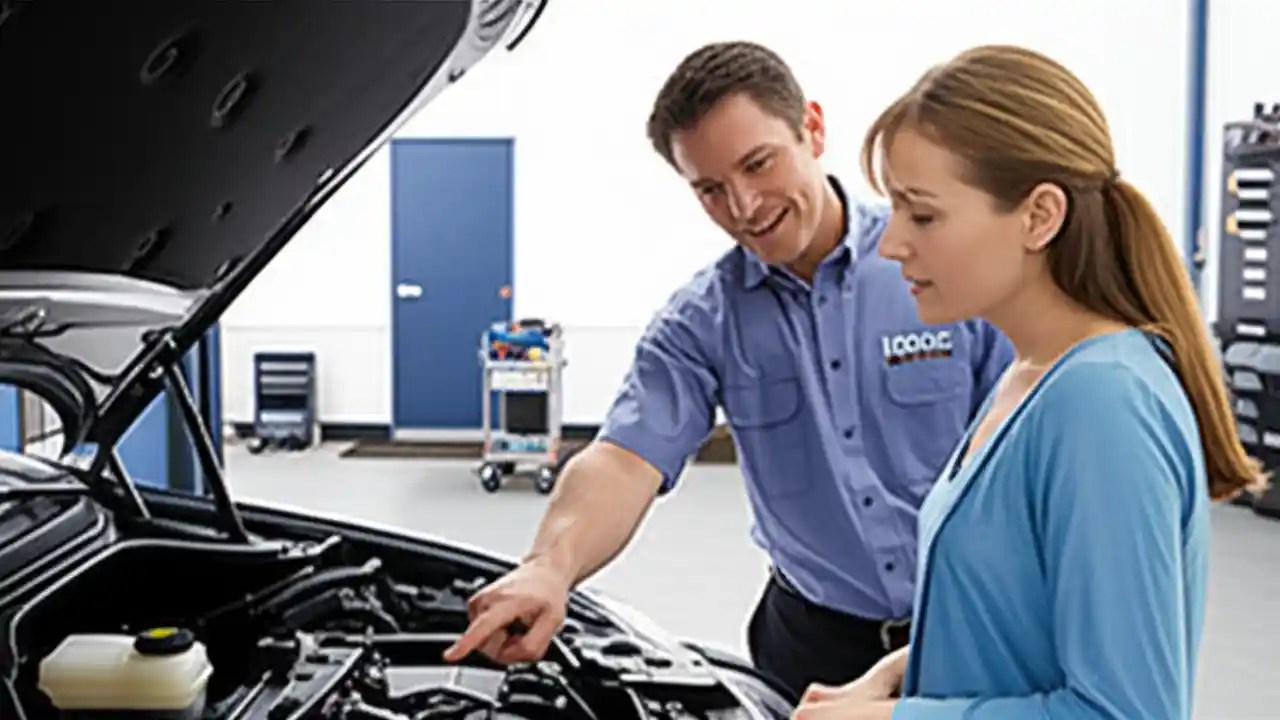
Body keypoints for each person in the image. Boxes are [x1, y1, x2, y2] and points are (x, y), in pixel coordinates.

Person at [442, 40, 1013, 700]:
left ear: (812, 129)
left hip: (977, 627)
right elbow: (624, 460)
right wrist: (550, 566)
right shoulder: (701, 322)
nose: (742, 206)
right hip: (813, 647)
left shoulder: (935, 262)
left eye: (758, 164)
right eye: (710, 189)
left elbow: (1035, 434)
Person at [788, 44, 1266, 720]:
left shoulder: (1101, 405)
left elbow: (1123, 712)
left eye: (922, 215)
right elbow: (1014, 618)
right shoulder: (1028, 375)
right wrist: (896, 675)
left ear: (1040, 216)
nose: (890, 244)